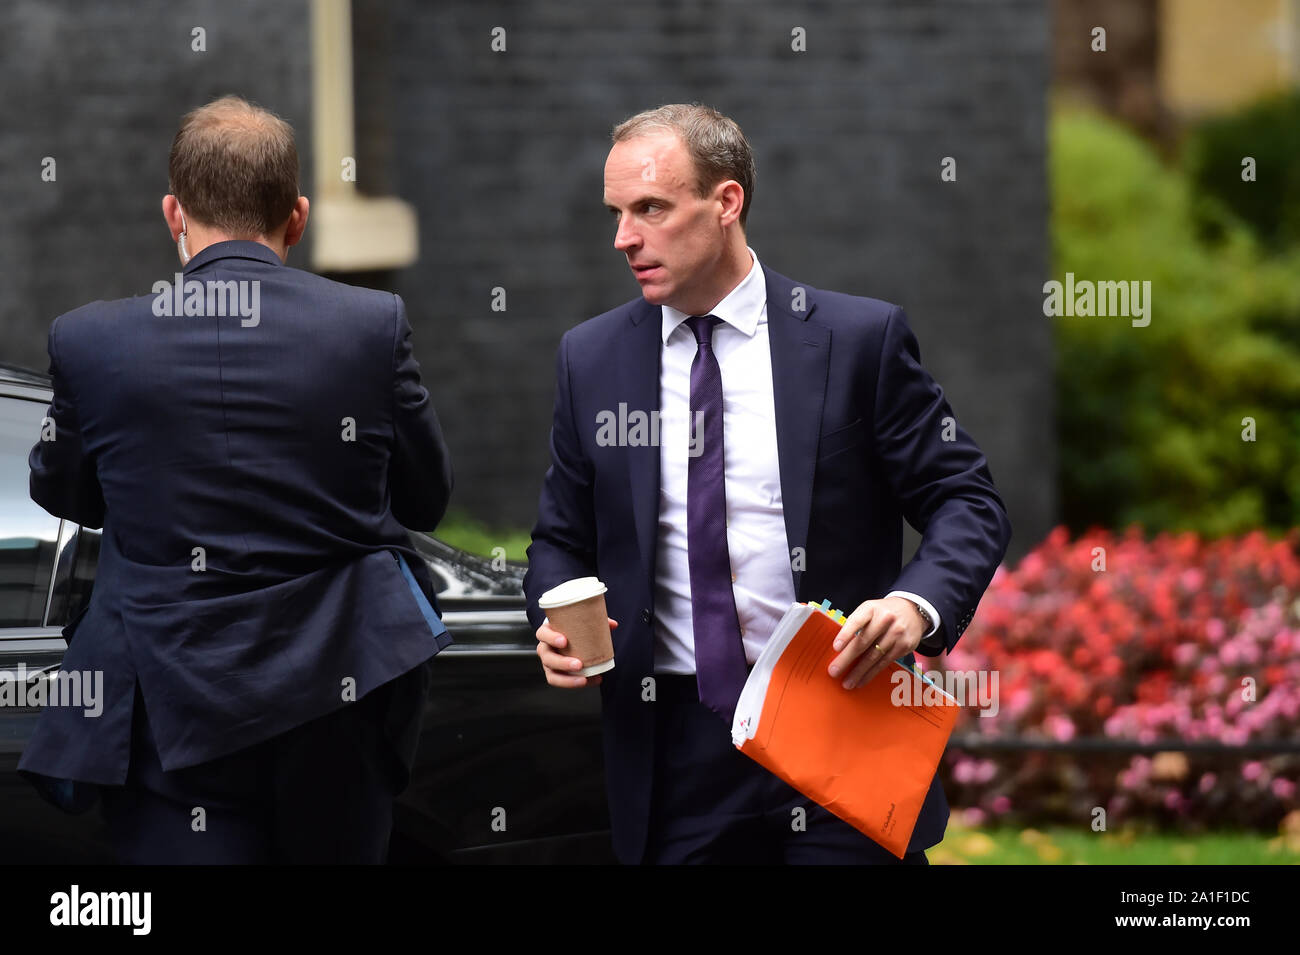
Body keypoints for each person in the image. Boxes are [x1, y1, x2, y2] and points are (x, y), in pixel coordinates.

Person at [524, 103, 1012, 864]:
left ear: (726, 203)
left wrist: (916, 606)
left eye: (651, 208)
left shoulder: (856, 341)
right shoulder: (590, 360)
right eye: (617, 213)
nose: (625, 237)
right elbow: (560, 535)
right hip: (670, 745)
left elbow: (965, 498)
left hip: (840, 717)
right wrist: (552, 618)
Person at [18, 95, 454, 863]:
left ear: (173, 214)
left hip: (168, 706)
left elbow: (64, 493)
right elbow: (426, 498)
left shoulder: (91, 340)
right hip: (338, 700)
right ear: (297, 215)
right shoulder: (370, 325)